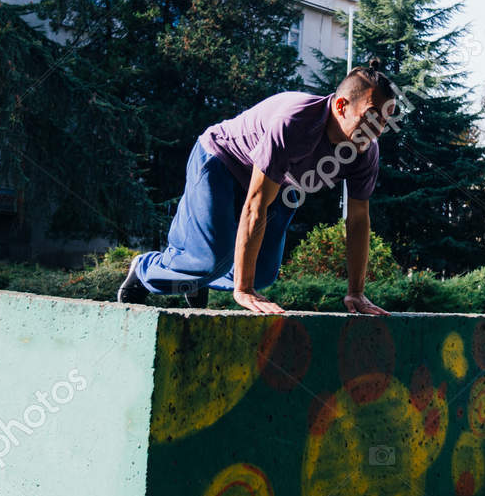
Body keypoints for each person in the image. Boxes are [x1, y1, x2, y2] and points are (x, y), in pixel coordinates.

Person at [118, 66, 398, 315]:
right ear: (341, 106)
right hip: (223, 159)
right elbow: (255, 204)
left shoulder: (365, 153)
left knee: (263, 272)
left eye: (384, 121)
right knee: (209, 260)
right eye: (371, 116)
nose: (377, 130)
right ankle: (145, 269)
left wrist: (356, 292)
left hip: (281, 184)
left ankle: (197, 279)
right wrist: (243, 289)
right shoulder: (295, 122)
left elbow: (358, 221)